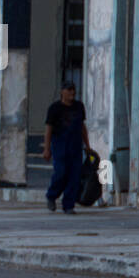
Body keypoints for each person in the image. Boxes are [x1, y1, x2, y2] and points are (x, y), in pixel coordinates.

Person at [43, 81, 90, 214]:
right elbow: (48, 129)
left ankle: (69, 205)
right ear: (62, 92)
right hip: (60, 146)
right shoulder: (54, 108)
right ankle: (51, 196)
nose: (72, 92)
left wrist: (87, 145)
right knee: (61, 173)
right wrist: (47, 148)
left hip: (75, 146)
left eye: (73, 89)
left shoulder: (79, 106)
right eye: (69, 90)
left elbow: (82, 126)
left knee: (74, 176)